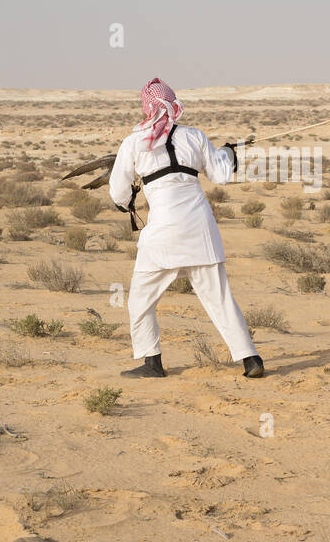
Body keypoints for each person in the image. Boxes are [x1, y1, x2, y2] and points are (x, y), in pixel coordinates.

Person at [108, 78, 265, 379]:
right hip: (199, 229)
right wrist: (229, 153)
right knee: (220, 300)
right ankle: (250, 360)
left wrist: (126, 202)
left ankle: (151, 362)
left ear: (146, 106)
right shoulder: (194, 136)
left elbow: (118, 190)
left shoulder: (134, 142)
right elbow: (220, 174)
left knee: (141, 301)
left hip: (162, 234)